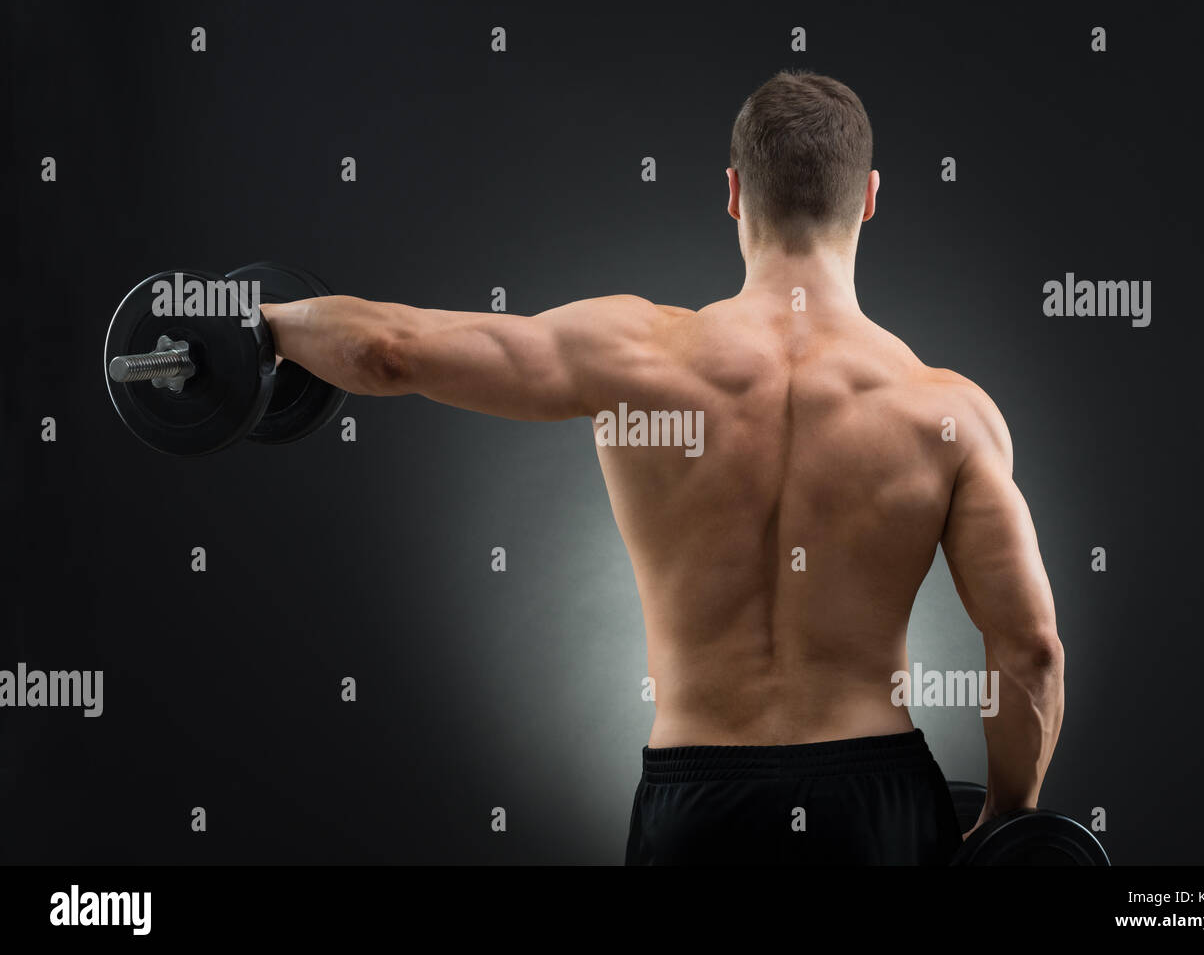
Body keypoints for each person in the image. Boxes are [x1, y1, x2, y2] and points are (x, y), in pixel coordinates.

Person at [261, 70, 1065, 865]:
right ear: (870, 197)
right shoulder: (948, 412)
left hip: (699, 804)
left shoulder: (634, 355)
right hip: (878, 805)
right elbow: (1029, 649)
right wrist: (1007, 822)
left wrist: (250, 325)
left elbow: (389, 350)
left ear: (733, 192)